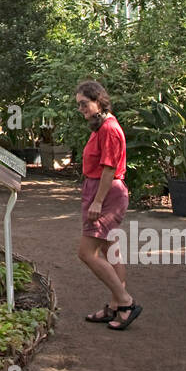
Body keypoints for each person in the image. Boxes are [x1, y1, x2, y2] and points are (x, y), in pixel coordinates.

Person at [75, 80, 141, 330]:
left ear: (98, 101)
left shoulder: (109, 129)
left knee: (86, 253)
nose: (81, 109)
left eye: (84, 104)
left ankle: (126, 302)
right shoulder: (100, 127)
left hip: (106, 194)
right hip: (100, 191)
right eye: (79, 105)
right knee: (110, 252)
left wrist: (98, 202)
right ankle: (116, 307)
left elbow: (109, 169)